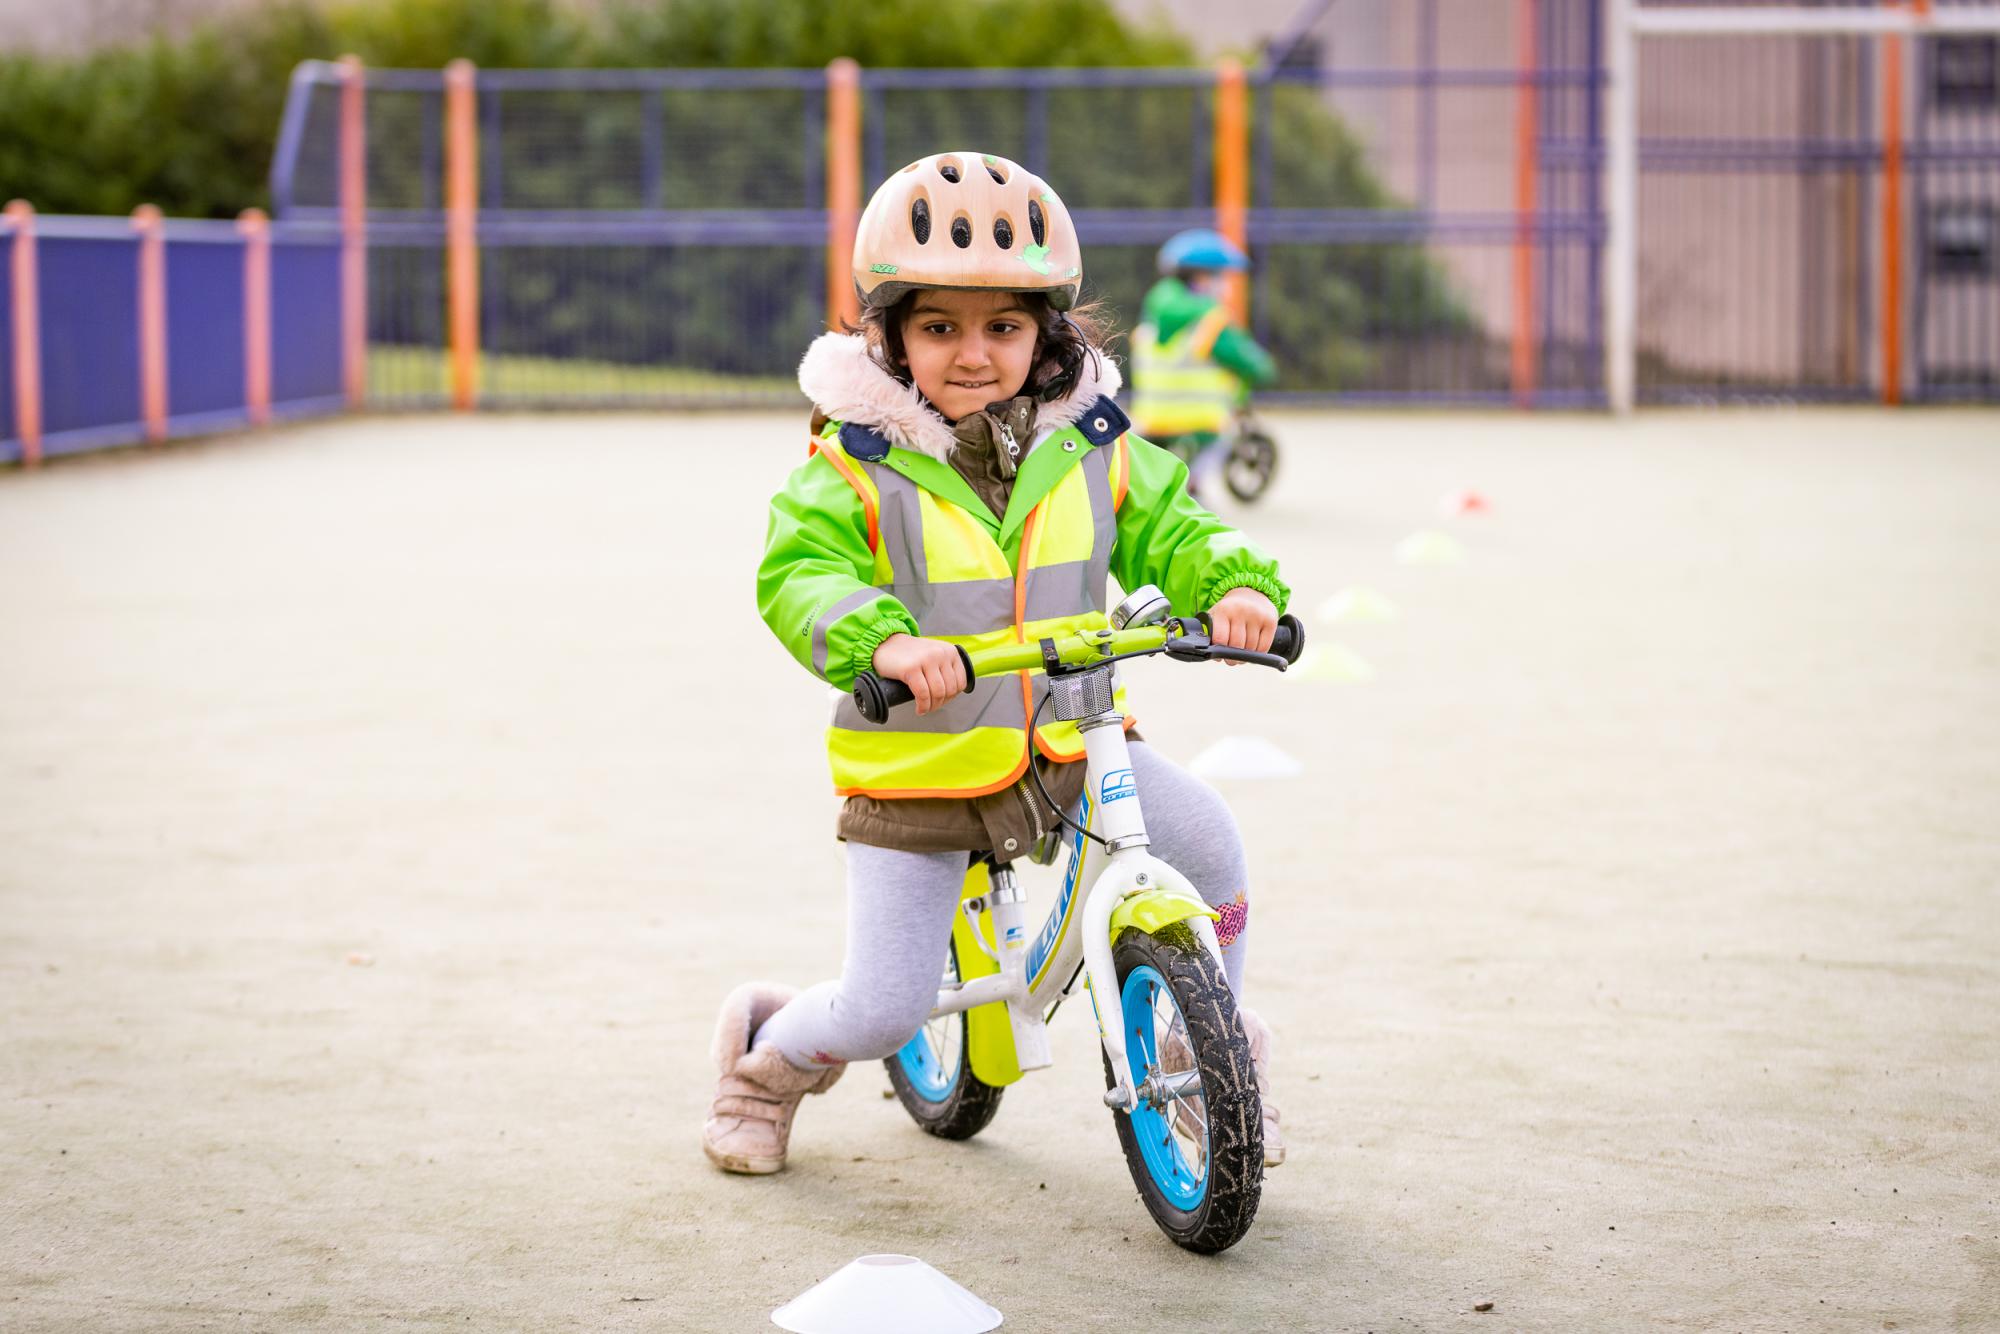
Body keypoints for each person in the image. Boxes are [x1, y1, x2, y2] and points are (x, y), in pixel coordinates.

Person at [700, 152, 1290, 1177]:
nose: (972, 355)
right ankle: (763, 1059)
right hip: (920, 764)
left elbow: (1172, 521)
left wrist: (1235, 590)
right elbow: (802, 571)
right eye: (939, 327)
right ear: (887, 335)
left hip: (1069, 735)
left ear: (1046, 333)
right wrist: (880, 641)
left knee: (1213, 845)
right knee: (884, 1005)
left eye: (1002, 327)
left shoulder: (1091, 444)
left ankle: (1222, 1046)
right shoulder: (851, 463)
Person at [1129, 229, 1277, 495]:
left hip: (1151, 417)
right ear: (1199, 277)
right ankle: (1192, 489)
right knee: (1210, 455)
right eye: (1218, 276)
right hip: (1198, 420)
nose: (1223, 284)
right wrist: (1264, 368)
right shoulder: (1208, 318)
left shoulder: (1152, 311)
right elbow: (1248, 360)